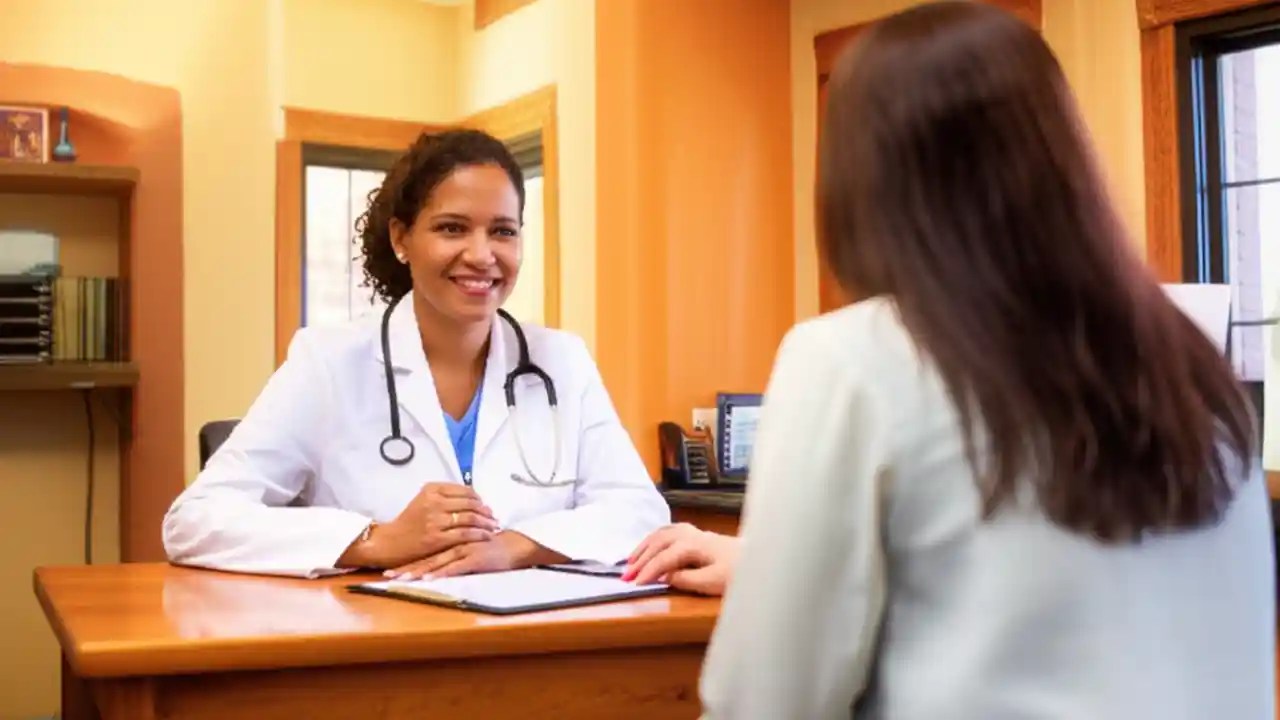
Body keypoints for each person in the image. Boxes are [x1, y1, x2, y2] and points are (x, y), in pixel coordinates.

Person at [626, 3, 1275, 718]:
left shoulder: (851, 358)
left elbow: (766, 702)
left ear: (858, 183)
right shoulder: (1196, 372)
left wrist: (781, 588)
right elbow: (1064, 590)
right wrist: (769, 570)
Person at [164, 128, 670, 579]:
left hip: (528, 647)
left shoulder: (562, 361)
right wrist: (376, 541)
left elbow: (639, 511)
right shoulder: (329, 362)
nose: (481, 254)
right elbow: (196, 521)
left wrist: (514, 548)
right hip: (378, 652)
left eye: (502, 230)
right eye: (452, 228)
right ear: (402, 238)